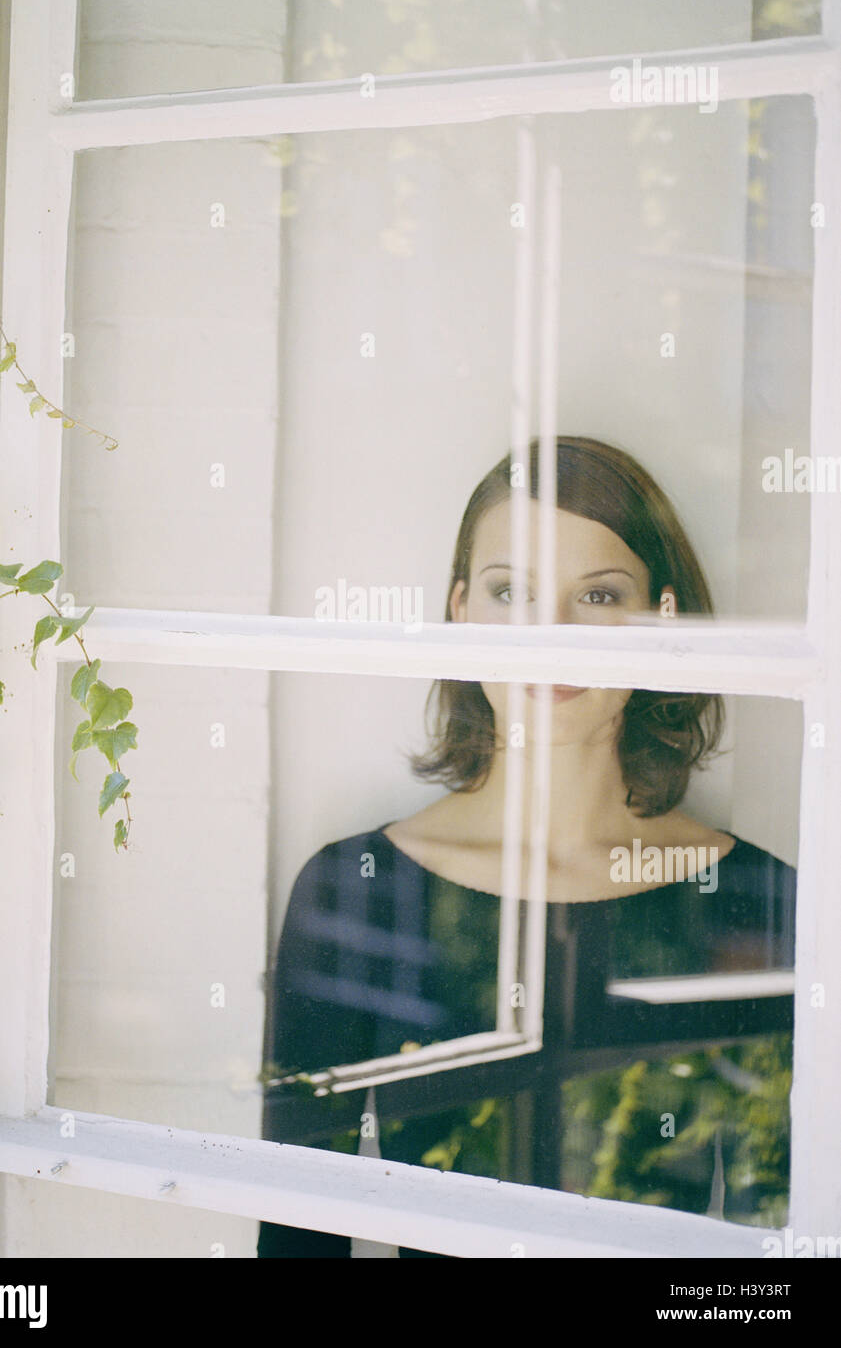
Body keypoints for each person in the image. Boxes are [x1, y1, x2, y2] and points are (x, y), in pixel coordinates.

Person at [257, 437, 795, 1258]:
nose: (550, 633)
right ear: (461, 610)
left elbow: (777, 1243)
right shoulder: (356, 890)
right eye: (512, 592)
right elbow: (296, 1241)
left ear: (663, 618)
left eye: (600, 595)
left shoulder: (762, 896)